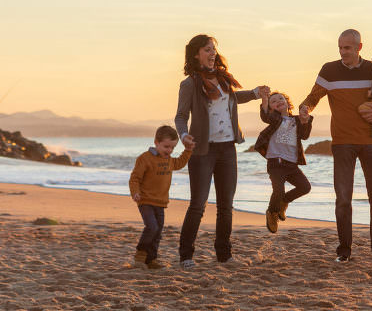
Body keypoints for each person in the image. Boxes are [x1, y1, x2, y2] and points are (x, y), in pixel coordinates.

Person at [299, 29, 372, 263]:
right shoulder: (329, 70)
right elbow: (313, 97)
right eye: (340, 47)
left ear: (359, 47)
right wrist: (304, 110)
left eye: (348, 48)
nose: (343, 52)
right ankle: (344, 252)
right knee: (343, 199)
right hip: (342, 143)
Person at [174, 34, 263, 269]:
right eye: (206, 49)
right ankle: (186, 256)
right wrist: (184, 136)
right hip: (203, 150)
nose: (212, 53)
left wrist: (255, 93)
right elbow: (181, 116)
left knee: (226, 205)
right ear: (196, 54)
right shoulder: (190, 84)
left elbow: (232, 98)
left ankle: (224, 255)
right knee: (198, 205)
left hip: (227, 149)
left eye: (213, 49)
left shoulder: (224, 80)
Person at [129, 125, 194, 269]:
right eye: (166, 147)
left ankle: (151, 260)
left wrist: (188, 150)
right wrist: (135, 192)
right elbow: (135, 178)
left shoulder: (169, 160)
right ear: (156, 142)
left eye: (172, 148)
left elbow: (180, 163)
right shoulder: (144, 158)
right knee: (151, 227)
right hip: (145, 200)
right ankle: (140, 253)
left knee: (158, 232)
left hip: (161, 202)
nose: (169, 151)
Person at [252, 87, 313, 234]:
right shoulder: (274, 119)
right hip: (276, 163)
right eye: (273, 101)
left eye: (281, 99)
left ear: (287, 102)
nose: (278, 101)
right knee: (278, 190)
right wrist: (265, 100)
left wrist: (305, 120)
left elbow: (305, 136)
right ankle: (272, 212)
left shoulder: (296, 120)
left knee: (305, 187)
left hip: (291, 164)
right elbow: (266, 115)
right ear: (271, 107)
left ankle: (284, 202)